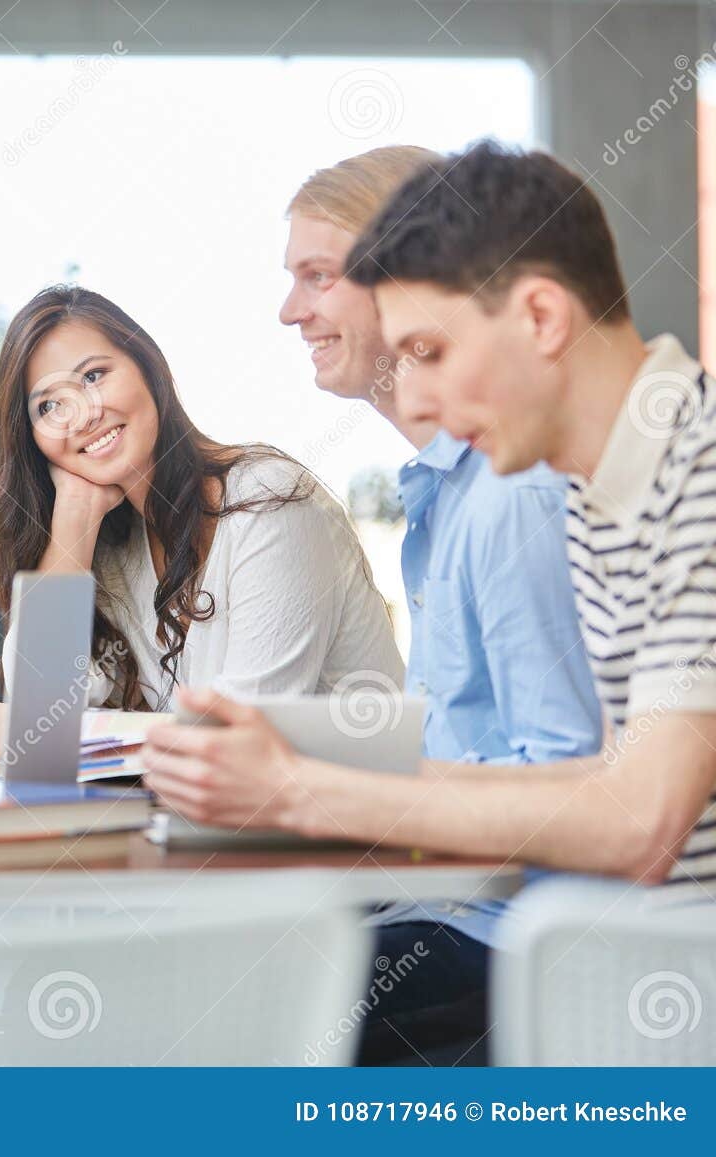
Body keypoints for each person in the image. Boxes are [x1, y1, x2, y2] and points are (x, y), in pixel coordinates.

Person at [144, 142, 716, 939]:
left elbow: (639, 826)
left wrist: (296, 789)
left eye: (431, 352)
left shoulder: (696, 472)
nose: (418, 396)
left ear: (542, 318)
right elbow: (609, 789)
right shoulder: (607, 489)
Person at [278, 146, 604, 1063]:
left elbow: (570, 796)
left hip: (519, 954)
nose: (290, 310)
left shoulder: (512, 498)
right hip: (452, 920)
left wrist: (327, 802)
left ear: (409, 284)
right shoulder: (444, 499)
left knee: (206, 1018)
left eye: (317, 276)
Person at [0, 285, 402, 760]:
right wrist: (74, 519)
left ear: (149, 368)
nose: (82, 414)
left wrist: (53, 732)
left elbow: (237, 738)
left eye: (94, 375)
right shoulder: (117, 545)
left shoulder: (270, 502)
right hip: (205, 824)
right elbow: (37, 707)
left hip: (344, 824)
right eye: (49, 406)